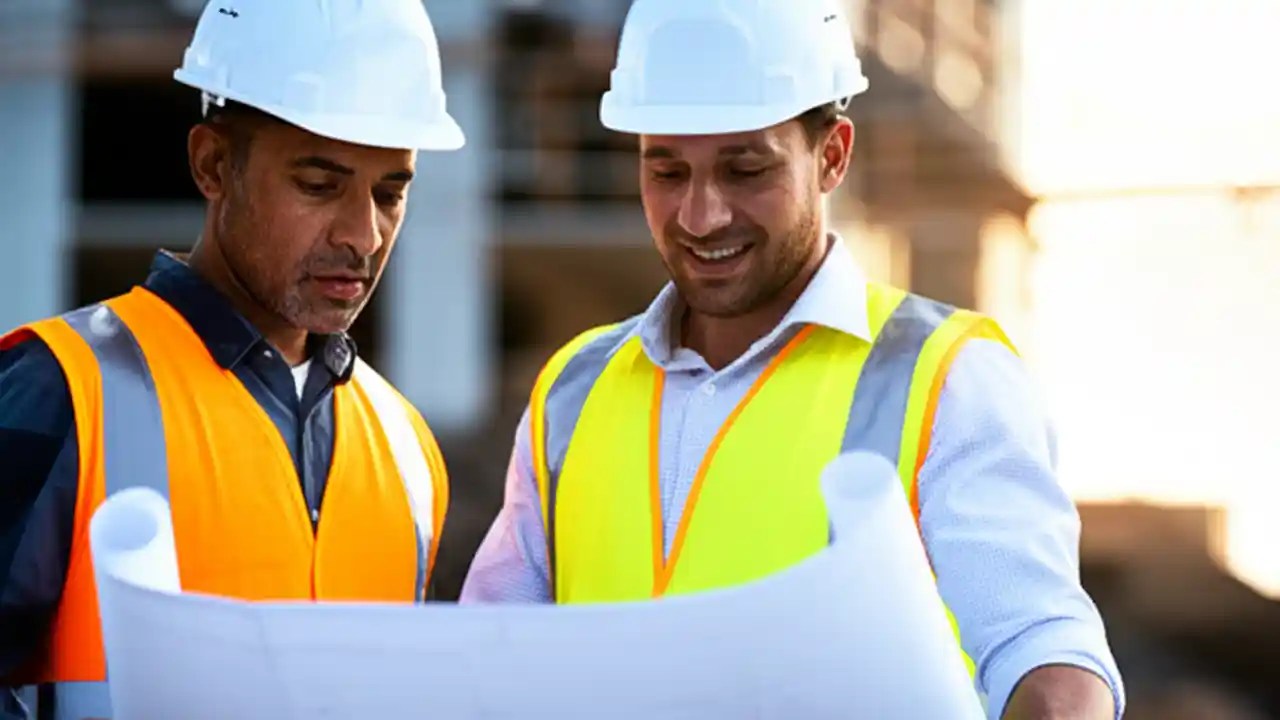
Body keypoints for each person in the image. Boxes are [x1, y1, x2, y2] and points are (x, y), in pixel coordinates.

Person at [461, 0, 1124, 718]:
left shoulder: (944, 381)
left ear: (832, 154)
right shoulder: (573, 391)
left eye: (746, 170)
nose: (700, 215)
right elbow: (488, 662)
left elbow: (1048, 668)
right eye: (668, 172)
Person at [0, 2, 463, 718]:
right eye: (319, 184)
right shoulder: (62, 388)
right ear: (213, 164)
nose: (364, 235)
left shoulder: (408, 453)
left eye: (390, 193)